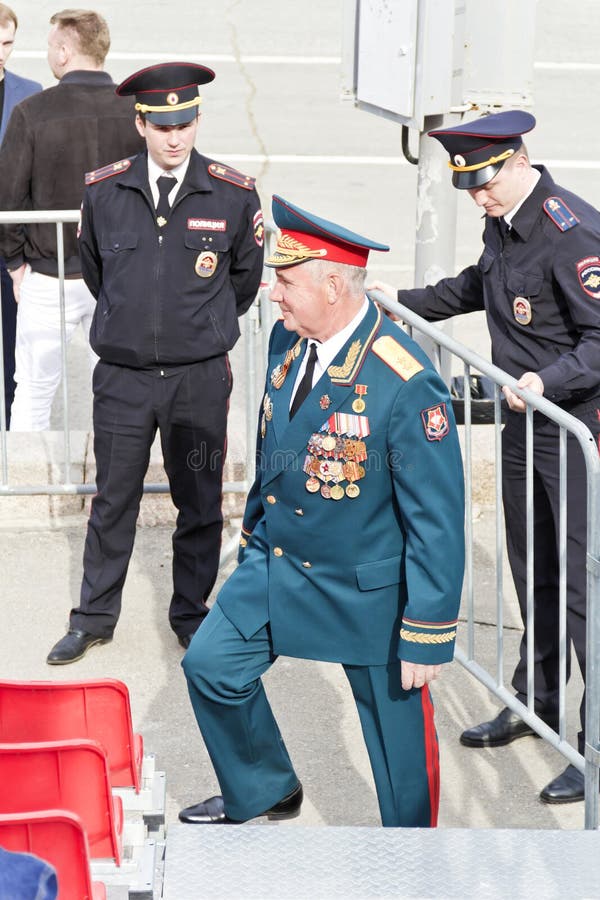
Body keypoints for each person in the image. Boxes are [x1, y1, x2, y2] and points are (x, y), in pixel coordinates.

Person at [178, 195, 465, 828]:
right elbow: (276, 440)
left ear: (333, 285)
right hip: (281, 563)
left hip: (366, 589)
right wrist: (256, 523)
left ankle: (414, 862)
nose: (273, 295)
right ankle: (262, 788)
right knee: (211, 665)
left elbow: (437, 520)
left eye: (286, 282)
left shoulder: (404, 379)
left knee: (399, 754)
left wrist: (428, 629)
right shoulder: (292, 339)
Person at [370, 110, 600, 804]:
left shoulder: (572, 233)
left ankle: (594, 749)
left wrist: (546, 381)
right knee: (534, 573)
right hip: (523, 426)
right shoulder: (505, 222)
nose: (479, 197)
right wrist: (400, 303)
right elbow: (478, 287)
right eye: (469, 187)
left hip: (575, 429)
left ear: (521, 159)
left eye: (487, 182)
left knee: (585, 591)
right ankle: (535, 702)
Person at [46, 62, 264, 664]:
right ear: (140, 123)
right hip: (124, 377)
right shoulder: (104, 190)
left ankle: (191, 616)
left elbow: (242, 282)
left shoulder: (232, 193)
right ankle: (93, 617)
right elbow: (98, 274)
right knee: (113, 498)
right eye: (163, 125)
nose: (176, 137)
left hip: (197, 377)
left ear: (197, 120)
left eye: (186, 123)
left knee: (199, 501)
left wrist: (201, 329)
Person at [0, 8, 143, 431]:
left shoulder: (32, 112)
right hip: (118, 274)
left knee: (33, 389)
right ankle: (118, 483)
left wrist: (14, 263)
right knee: (121, 386)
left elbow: (9, 197)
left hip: (49, 273)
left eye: (50, 46)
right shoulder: (136, 112)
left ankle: (26, 493)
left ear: (64, 52)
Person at [0, 3, 41, 427]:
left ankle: (14, 437)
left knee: (18, 344)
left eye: (8, 43)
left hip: (14, 239)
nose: (0, 52)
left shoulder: (29, 93)